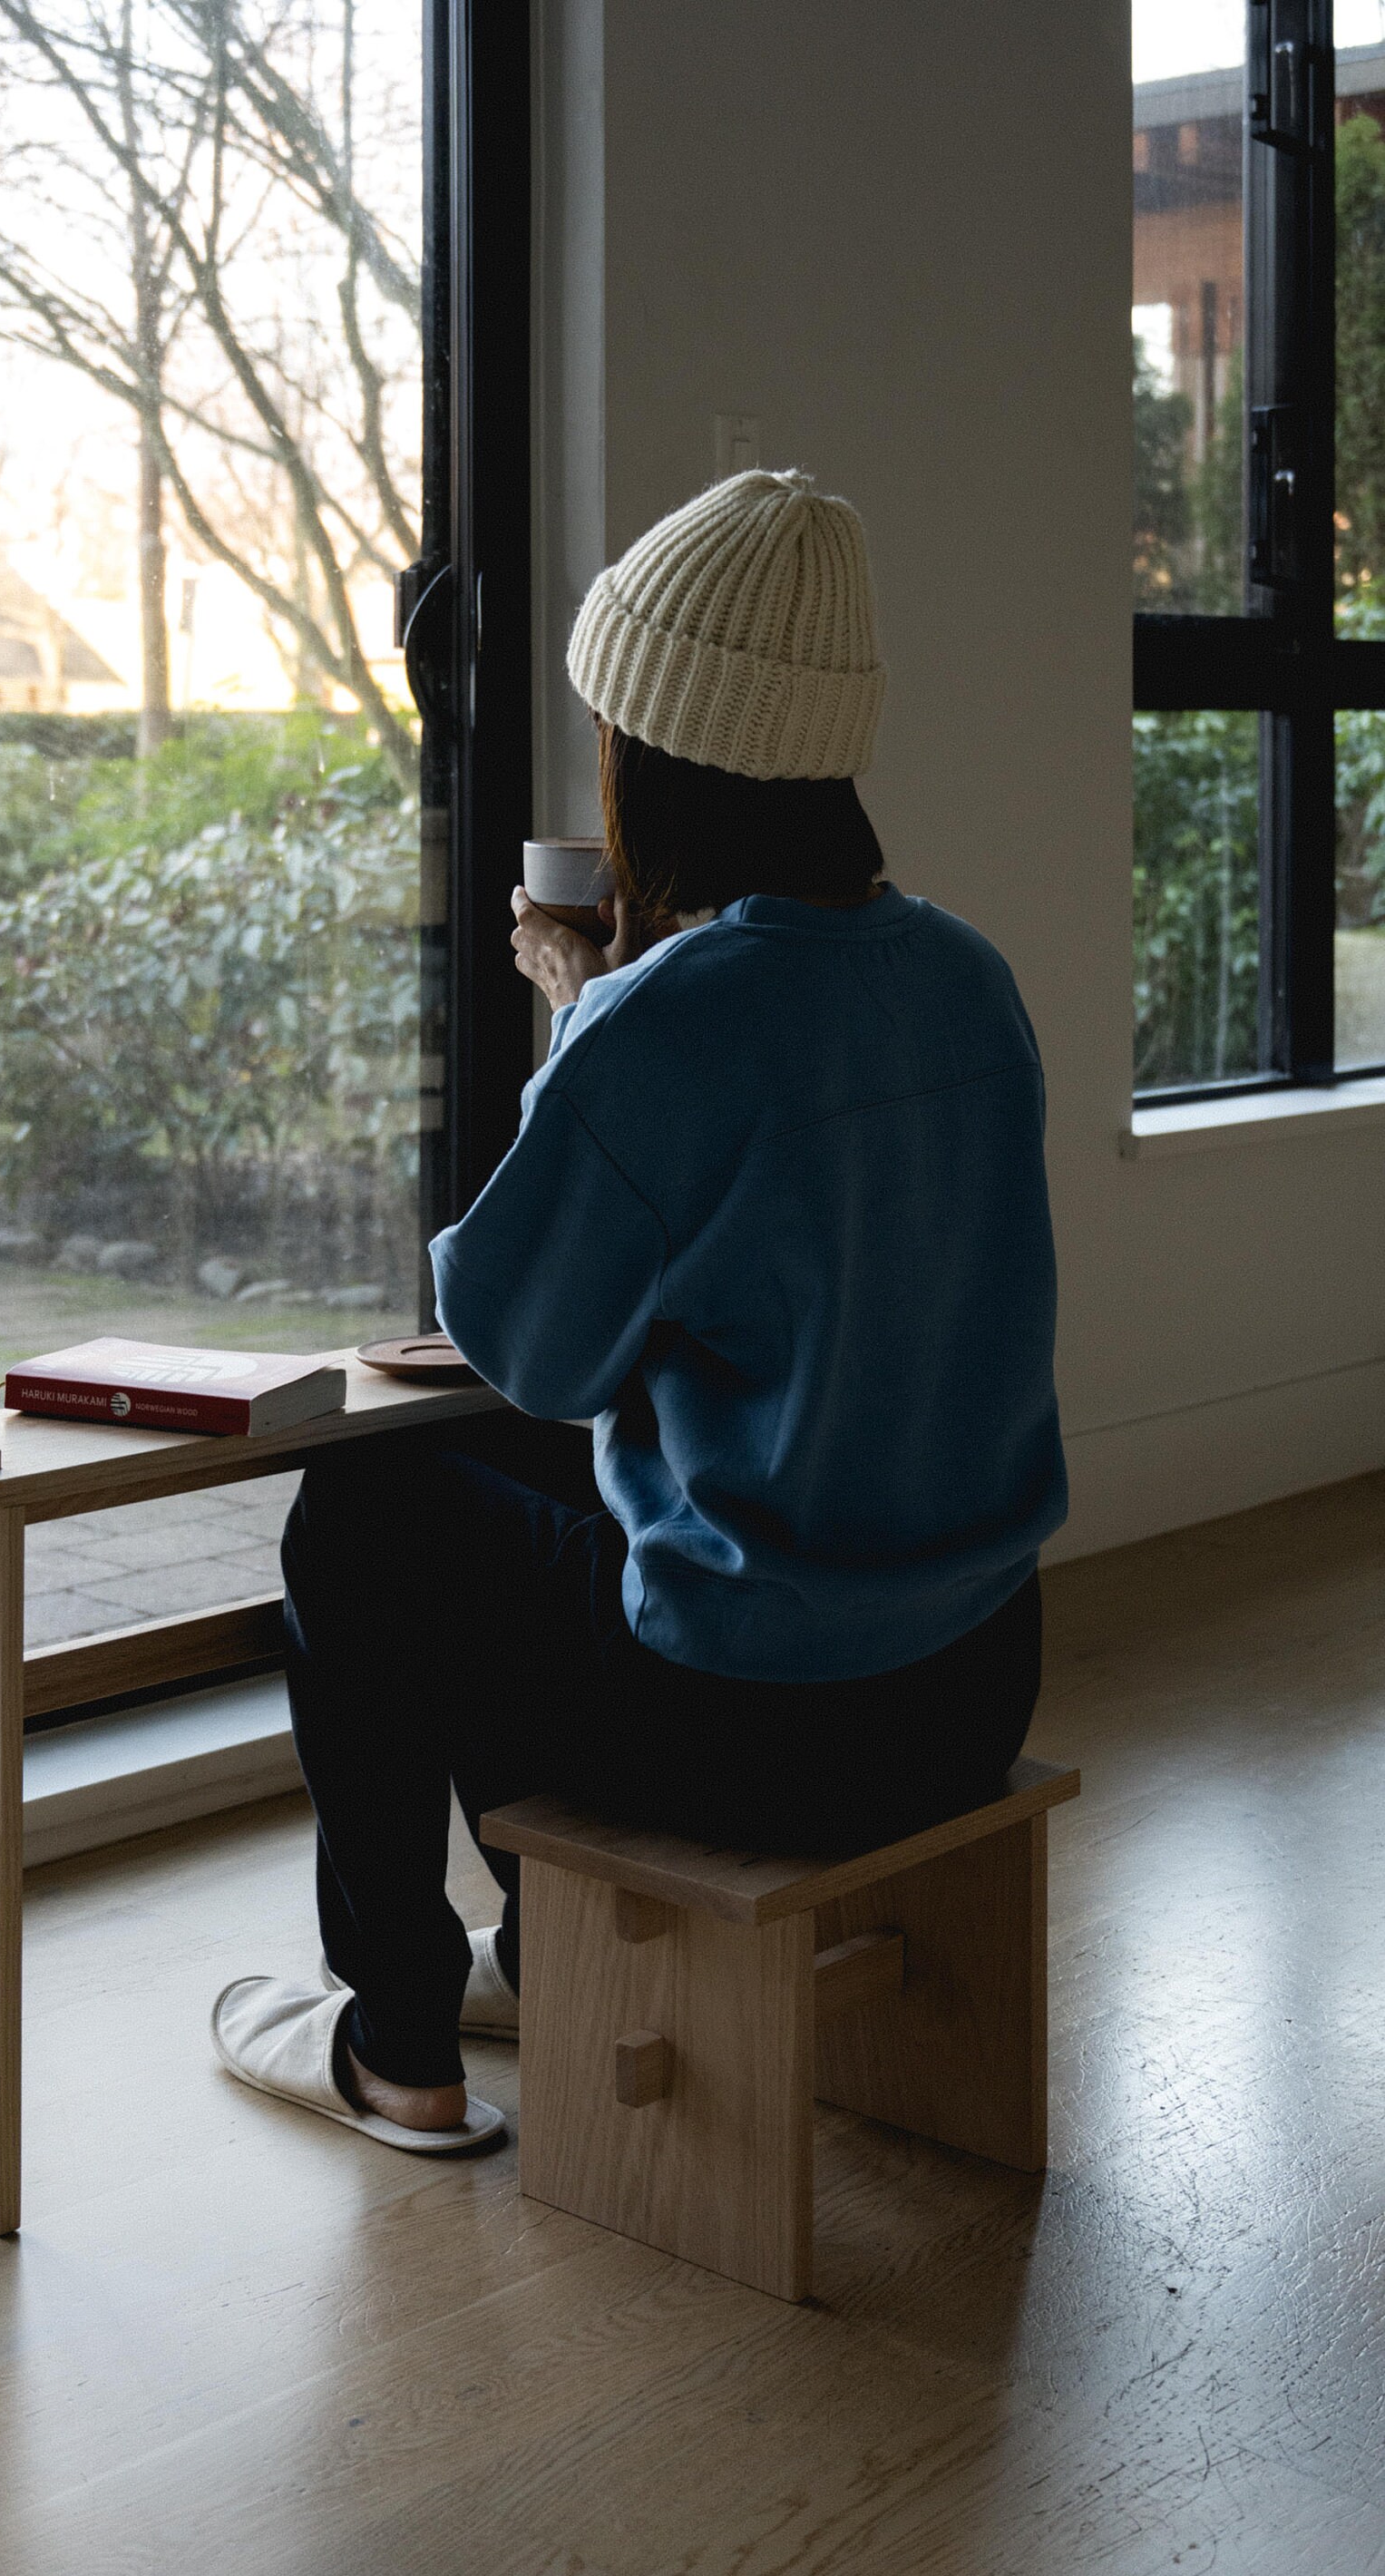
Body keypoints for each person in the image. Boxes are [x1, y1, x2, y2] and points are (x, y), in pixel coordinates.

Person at [212, 467, 1067, 2154]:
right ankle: (548, 1957)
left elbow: (529, 1347)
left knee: (367, 1513)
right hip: (975, 1679)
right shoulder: (969, 976)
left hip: (770, 1731)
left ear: (654, 745)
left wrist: (584, 1022)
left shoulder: (664, 1017)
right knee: (536, 1498)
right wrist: (620, 1017)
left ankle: (395, 2039)